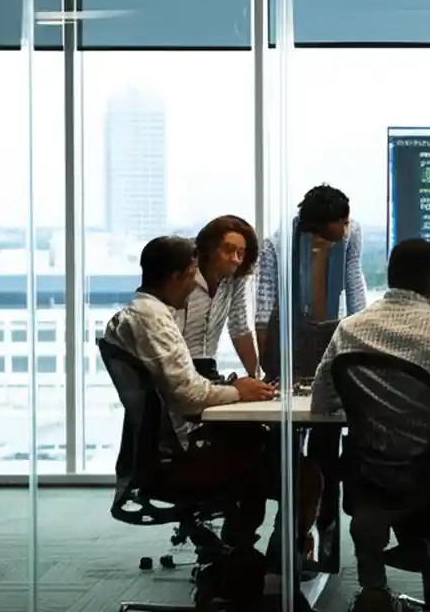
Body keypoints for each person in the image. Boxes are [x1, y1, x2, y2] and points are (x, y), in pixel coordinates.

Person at [102, 236, 323, 604]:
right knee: (302, 474)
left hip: (172, 446)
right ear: (174, 276)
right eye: (190, 275)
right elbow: (188, 396)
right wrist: (241, 392)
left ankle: (239, 562)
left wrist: (233, 386)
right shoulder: (154, 319)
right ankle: (267, 572)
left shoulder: (143, 313)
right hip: (183, 456)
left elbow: (184, 386)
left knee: (268, 452)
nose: (194, 284)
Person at [310, 238, 430, 612]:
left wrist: (372, 402)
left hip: (369, 471)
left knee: (383, 499)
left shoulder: (350, 329)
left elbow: (321, 402)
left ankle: (374, 589)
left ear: (389, 277)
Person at [255, 184, 368, 379]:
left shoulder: (352, 233)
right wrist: (264, 364)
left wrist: (361, 331)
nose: (347, 227)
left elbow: (354, 282)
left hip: (335, 329)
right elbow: (264, 308)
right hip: (292, 332)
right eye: (343, 222)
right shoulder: (278, 244)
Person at [176, 215, 259, 380]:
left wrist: (257, 377)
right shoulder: (186, 274)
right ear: (210, 249)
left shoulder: (235, 278)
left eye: (240, 253)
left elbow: (240, 327)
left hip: (208, 370)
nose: (235, 259)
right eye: (228, 250)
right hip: (175, 368)